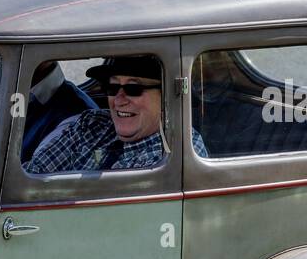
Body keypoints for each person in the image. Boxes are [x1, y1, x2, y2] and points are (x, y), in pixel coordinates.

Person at [26, 55, 205, 173]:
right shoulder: (90, 125)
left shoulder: (177, 152)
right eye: (112, 87)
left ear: (166, 96)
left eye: (133, 88)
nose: (119, 99)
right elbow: (34, 175)